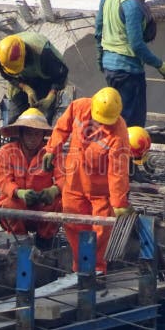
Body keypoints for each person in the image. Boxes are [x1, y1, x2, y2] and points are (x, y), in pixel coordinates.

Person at [43, 87, 133, 278]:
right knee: (73, 223)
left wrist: (118, 203)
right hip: (74, 182)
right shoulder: (79, 107)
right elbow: (61, 127)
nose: (101, 123)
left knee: (101, 230)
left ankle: (98, 269)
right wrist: (51, 149)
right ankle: (80, 268)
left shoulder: (118, 133)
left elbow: (118, 171)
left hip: (100, 191)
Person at [95, 0, 165, 127]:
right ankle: (130, 153)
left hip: (110, 68)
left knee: (113, 118)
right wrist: (160, 65)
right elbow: (137, 45)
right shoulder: (133, 6)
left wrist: (100, 58)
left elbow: (98, 29)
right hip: (129, 72)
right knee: (132, 125)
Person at [0, 108, 63, 250]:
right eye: (29, 133)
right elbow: (4, 181)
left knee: (61, 203)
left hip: (42, 207)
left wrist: (53, 190)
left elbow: (65, 179)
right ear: (21, 133)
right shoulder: (7, 152)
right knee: (9, 204)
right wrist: (20, 193)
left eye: (37, 134)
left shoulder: (51, 154)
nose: (33, 138)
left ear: (43, 135)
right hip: (18, 205)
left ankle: (44, 242)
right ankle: (21, 241)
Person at [0, 32, 69, 124]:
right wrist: (25, 88)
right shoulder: (1, 55)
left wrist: (50, 97)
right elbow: (6, 75)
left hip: (46, 79)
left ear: (25, 53)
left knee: (43, 119)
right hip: (22, 80)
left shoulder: (44, 54)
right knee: (14, 120)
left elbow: (61, 75)